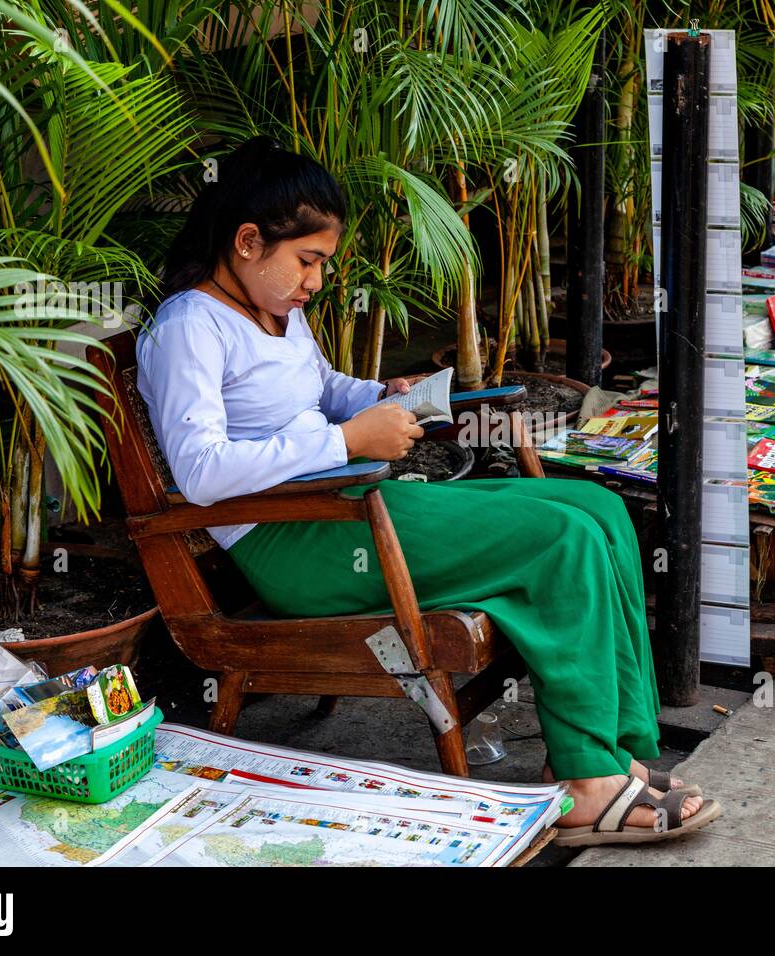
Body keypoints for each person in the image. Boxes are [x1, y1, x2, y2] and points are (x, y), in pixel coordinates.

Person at [137, 137, 720, 846]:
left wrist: (382, 396)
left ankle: (618, 747)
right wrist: (347, 442)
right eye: (308, 261)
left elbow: (321, 391)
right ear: (248, 240)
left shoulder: (275, 311)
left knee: (597, 507)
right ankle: (585, 787)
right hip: (293, 540)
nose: (316, 281)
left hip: (348, 504)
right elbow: (199, 470)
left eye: (321, 264)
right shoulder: (187, 328)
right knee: (560, 541)